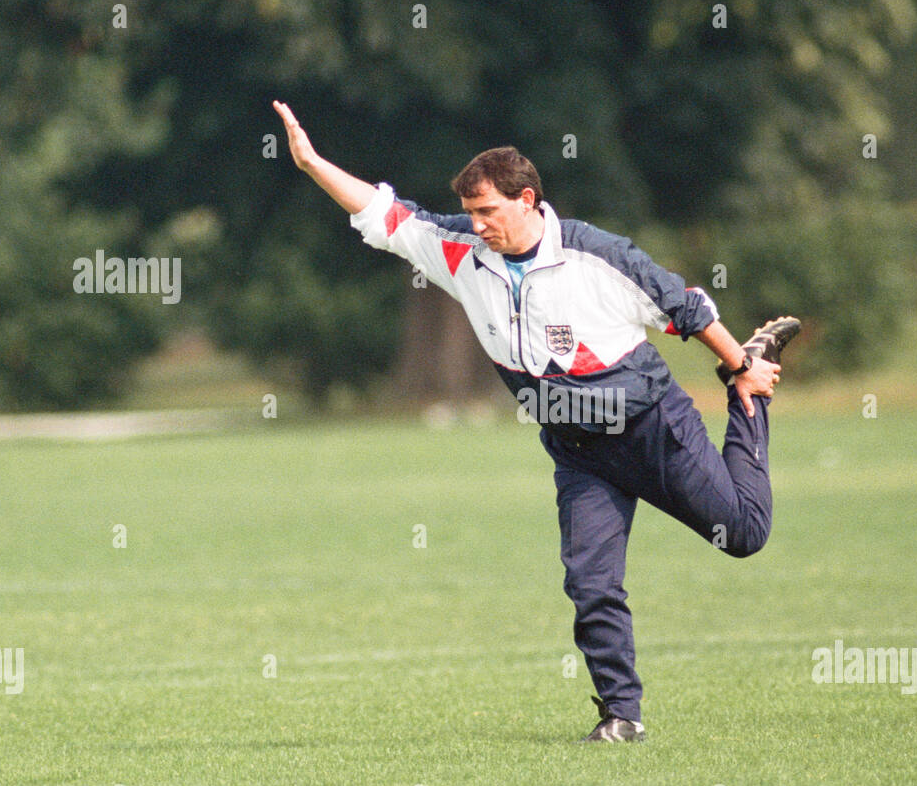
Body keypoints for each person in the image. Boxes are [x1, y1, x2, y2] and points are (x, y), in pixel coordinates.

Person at [273, 101, 799, 742]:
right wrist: (311, 162)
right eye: (470, 212)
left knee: (742, 534)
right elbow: (381, 213)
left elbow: (685, 307)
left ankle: (752, 398)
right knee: (590, 583)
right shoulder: (463, 252)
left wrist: (741, 366)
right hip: (578, 451)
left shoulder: (597, 255)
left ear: (527, 200)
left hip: (652, 426)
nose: (477, 224)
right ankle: (621, 716)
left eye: (488, 210)